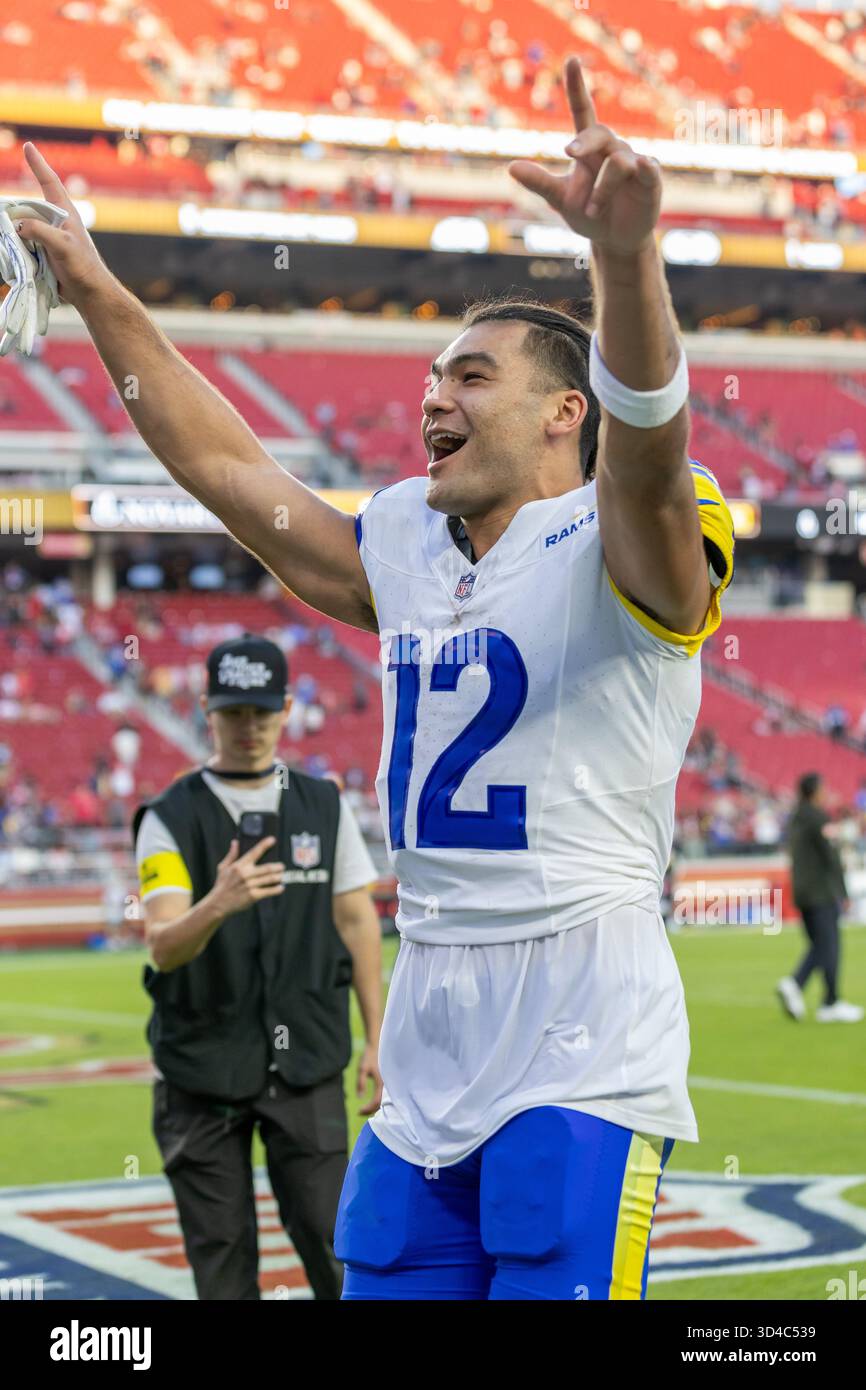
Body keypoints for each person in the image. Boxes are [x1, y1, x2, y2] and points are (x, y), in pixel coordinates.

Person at [21, 56, 735, 1301]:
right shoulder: (409, 537)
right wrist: (98, 294)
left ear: (568, 410)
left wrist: (624, 261)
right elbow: (238, 481)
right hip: (429, 1007)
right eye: (430, 377)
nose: (432, 396)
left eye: (472, 376)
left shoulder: (626, 534)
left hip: (577, 1008)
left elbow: (653, 467)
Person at [132, 634, 384, 1299]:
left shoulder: (323, 805)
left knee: (338, 1252)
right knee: (222, 1269)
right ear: (208, 710)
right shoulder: (167, 817)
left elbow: (357, 920)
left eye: (263, 712)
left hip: (307, 1064)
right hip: (200, 1072)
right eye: (235, 712)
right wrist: (218, 903)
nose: (250, 728)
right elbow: (164, 944)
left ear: (286, 710)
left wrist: (378, 1039)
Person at [777, 773, 862, 1024]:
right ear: (814, 791)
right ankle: (799, 985)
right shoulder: (819, 817)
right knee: (829, 945)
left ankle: (829, 1000)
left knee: (821, 945)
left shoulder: (795, 818)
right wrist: (843, 893)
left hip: (802, 892)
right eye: (823, 788)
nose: (826, 792)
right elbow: (831, 857)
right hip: (821, 892)